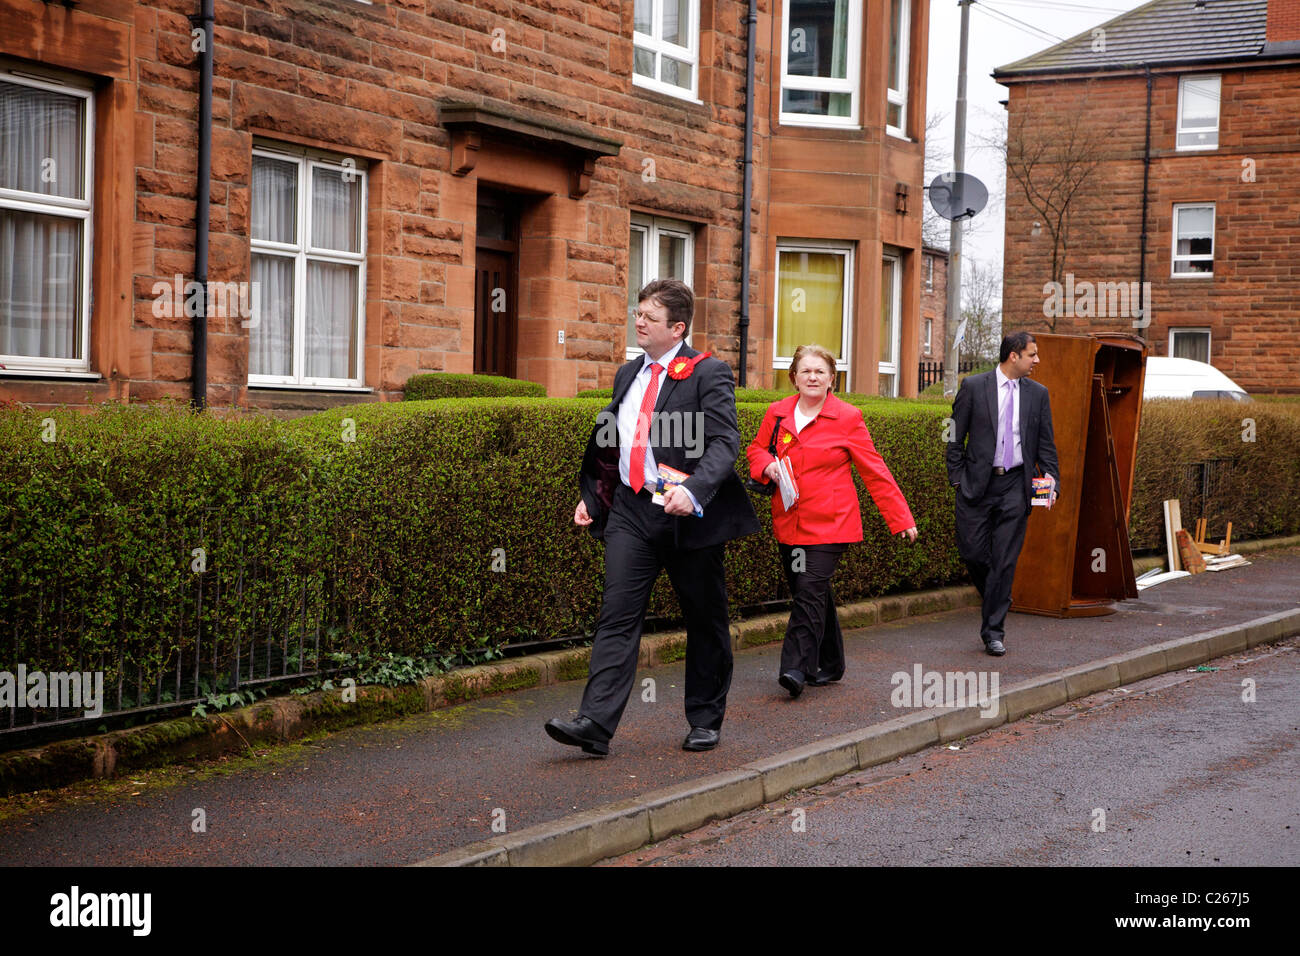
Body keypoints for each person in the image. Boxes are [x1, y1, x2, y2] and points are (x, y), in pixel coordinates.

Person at [544, 279, 759, 756]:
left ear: (677, 327)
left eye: (648, 316)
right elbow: (616, 443)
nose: (637, 321)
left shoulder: (709, 373)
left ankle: (705, 719)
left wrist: (694, 490)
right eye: (637, 313)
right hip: (632, 512)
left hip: (689, 517)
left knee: (704, 619)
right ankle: (595, 724)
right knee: (616, 617)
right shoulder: (628, 373)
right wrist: (596, 498)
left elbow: (725, 444)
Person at [745, 344, 918, 699]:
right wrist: (767, 465)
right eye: (805, 371)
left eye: (820, 372)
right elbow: (756, 449)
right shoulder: (777, 414)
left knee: (808, 592)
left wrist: (901, 519)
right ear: (793, 377)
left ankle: (795, 668)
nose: (812, 377)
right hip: (789, 520)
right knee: (809, 591)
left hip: (830, 524)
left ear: (831, 380)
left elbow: (875, 471)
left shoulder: (848, 418)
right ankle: (832, 661)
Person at [945, 331, 1060, 657]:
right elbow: (954, 435)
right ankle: (998, 596)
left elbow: (1046, 444)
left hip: (1015, 486)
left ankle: (994, 631)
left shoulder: (1038, 394)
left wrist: (1051, 480)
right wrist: (957, 479)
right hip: (977, 487)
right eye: (1032, 354)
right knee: (974, 554)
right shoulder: (974, 387)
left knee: (1005, 561)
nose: (1037, 361)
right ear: (1013, 355)